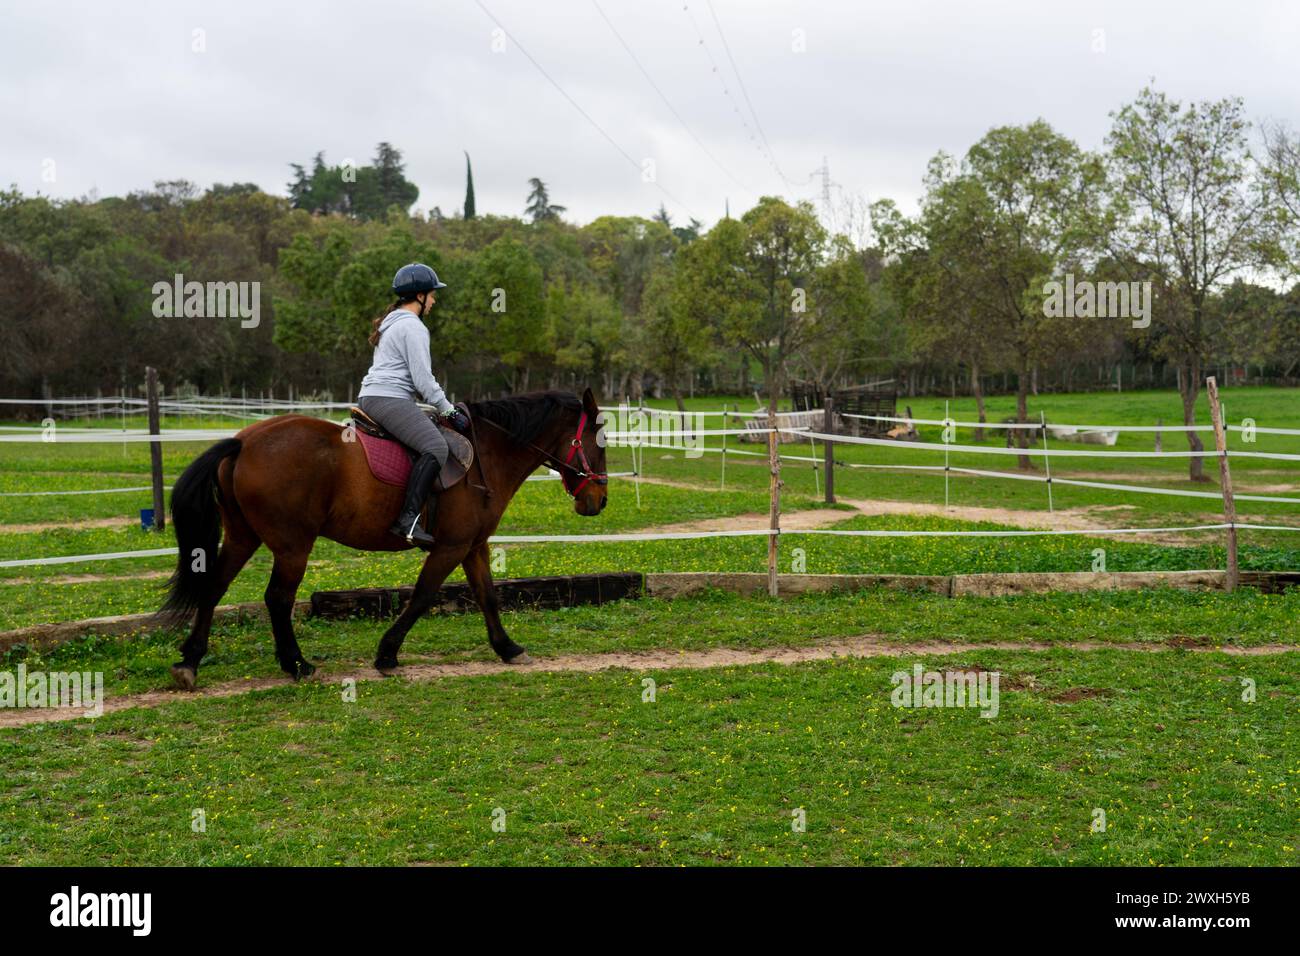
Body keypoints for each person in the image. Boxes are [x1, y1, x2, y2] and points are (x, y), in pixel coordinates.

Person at [357, 263, 469, 549]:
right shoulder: (412, 327)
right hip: (388, 399)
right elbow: (423, 380)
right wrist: (448, 410)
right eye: (432, 295)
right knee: (436, 447)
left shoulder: (392, 321)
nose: (434, 301)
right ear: (419, 296)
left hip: (376, 396)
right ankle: (408, 519)